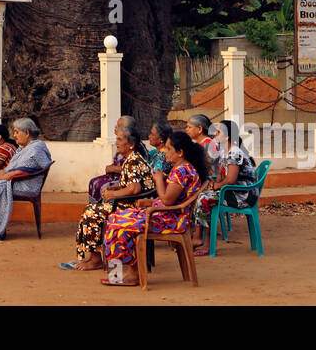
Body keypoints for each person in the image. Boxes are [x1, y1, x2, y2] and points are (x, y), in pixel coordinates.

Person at [100, 131, 211, 286]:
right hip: (164, 215)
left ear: (180, 152)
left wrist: (159, 180)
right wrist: (148, 202)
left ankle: (131, 274)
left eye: (169, 149)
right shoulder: (181, 168)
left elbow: (167, 200)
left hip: (170, 220)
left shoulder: (182, 171)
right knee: (115, 217)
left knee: (119, 224)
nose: (165, 152)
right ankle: (128, 271)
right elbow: (171, 199)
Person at [63, 126, 154, 271]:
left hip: (133, 207)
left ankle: (96, 259)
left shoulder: (133, 161)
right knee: (90, 210)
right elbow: (132, 185)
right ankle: (92, 255)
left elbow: (135, 188)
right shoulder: (131, 159)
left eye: (120, 139)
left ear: (131, 144)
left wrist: (114, 194)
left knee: (91, 213)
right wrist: (116, 188)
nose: (116, 142)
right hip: (131, 203)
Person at [194, 119, 258, 255]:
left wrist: (217, 185)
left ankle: (204, 242)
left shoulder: (234, 152)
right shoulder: (224, 151)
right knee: (201, 194)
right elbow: (222, 175)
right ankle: (199, 237)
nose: (214, 134)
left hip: (243, 195)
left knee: (204, 198)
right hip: (233, 190)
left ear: (227, 137)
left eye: (218, 132)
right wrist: (214, 183)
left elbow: (231, 179)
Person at [87, 114, 135, 202]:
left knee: (102, 186)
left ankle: (102, 208)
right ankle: (94, 207)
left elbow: (134, 171)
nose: (115, 127)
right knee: (93, 182)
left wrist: (115, 169)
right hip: (115, 176)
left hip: (123, 179)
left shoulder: (134, 147)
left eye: (119, 126)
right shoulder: (122, 145)